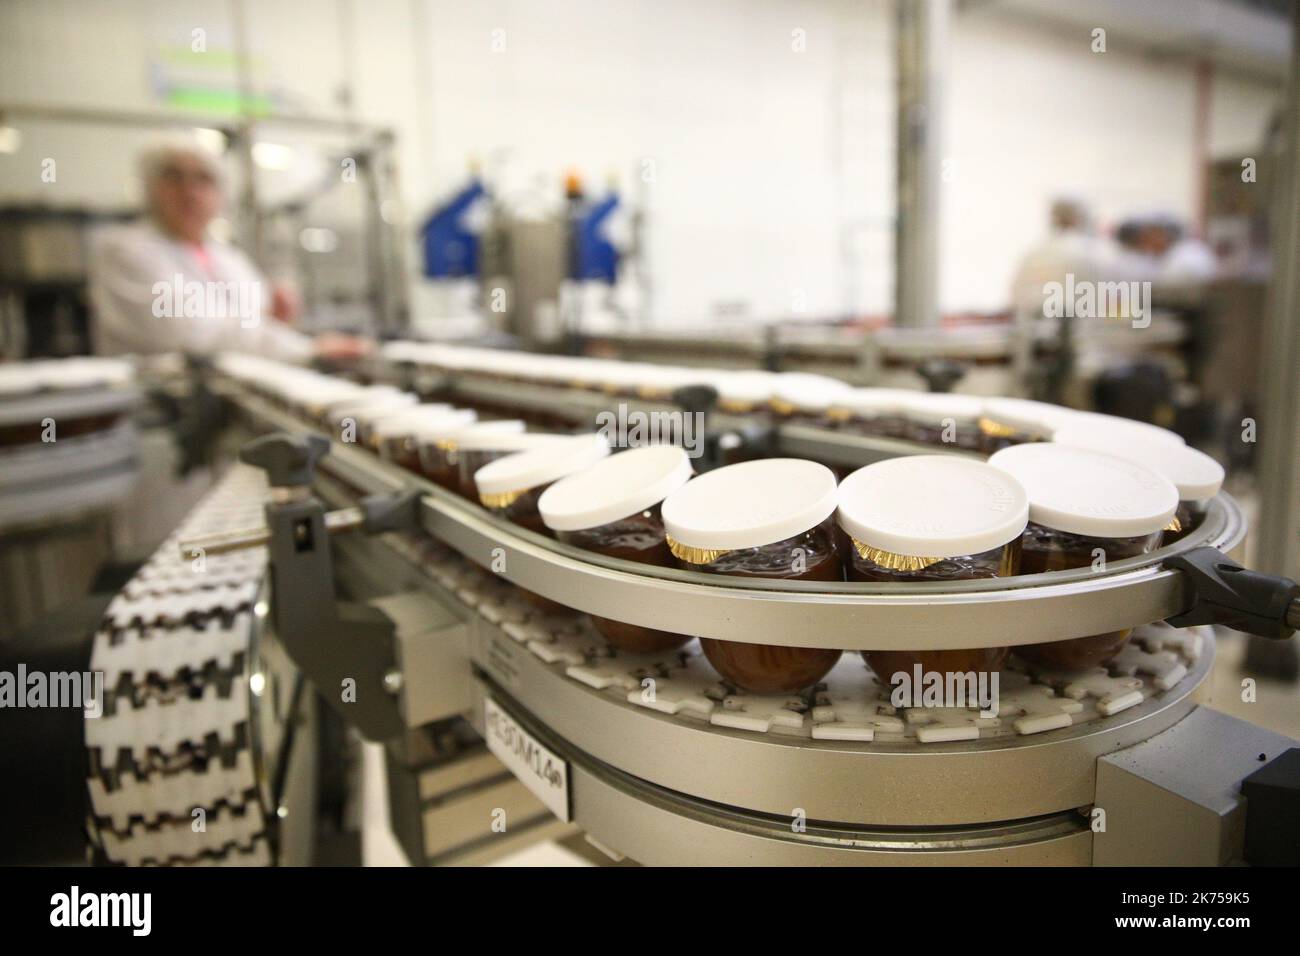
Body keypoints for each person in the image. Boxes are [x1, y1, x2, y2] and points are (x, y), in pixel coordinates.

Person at [90, 141, 368, 361]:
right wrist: (307, 348)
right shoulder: (126, 250)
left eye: (203, 180)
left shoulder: (227, 256)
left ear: (219, 194)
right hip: (156, 413)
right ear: (150, 188)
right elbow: (194, 334)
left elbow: (252, 322)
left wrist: (274, 314)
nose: (190, 192)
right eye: (174, 177)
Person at [1008, 197, 1107, 318]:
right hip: (1077, 329)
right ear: (1078, 218)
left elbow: (1016, 297)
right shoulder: (1091, 252)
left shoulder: (1033, 254)